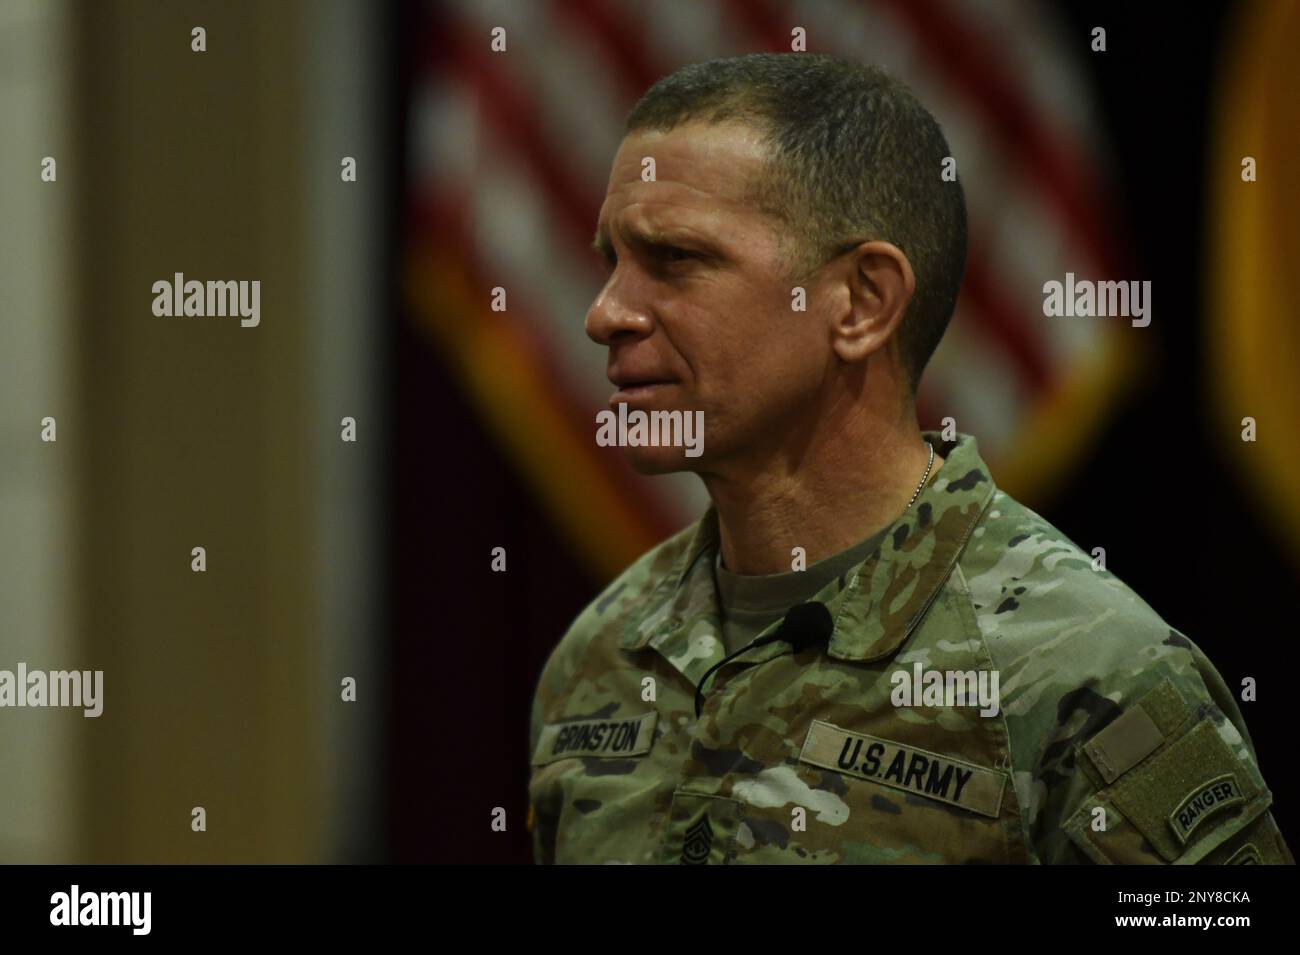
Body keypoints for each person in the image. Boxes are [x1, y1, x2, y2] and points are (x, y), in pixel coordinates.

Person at [527, 53, 1292, 864]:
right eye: (612, 259)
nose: (605, 313)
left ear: (862, 302)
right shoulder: (604, 652)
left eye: (675, 259)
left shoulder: (1089, 675)